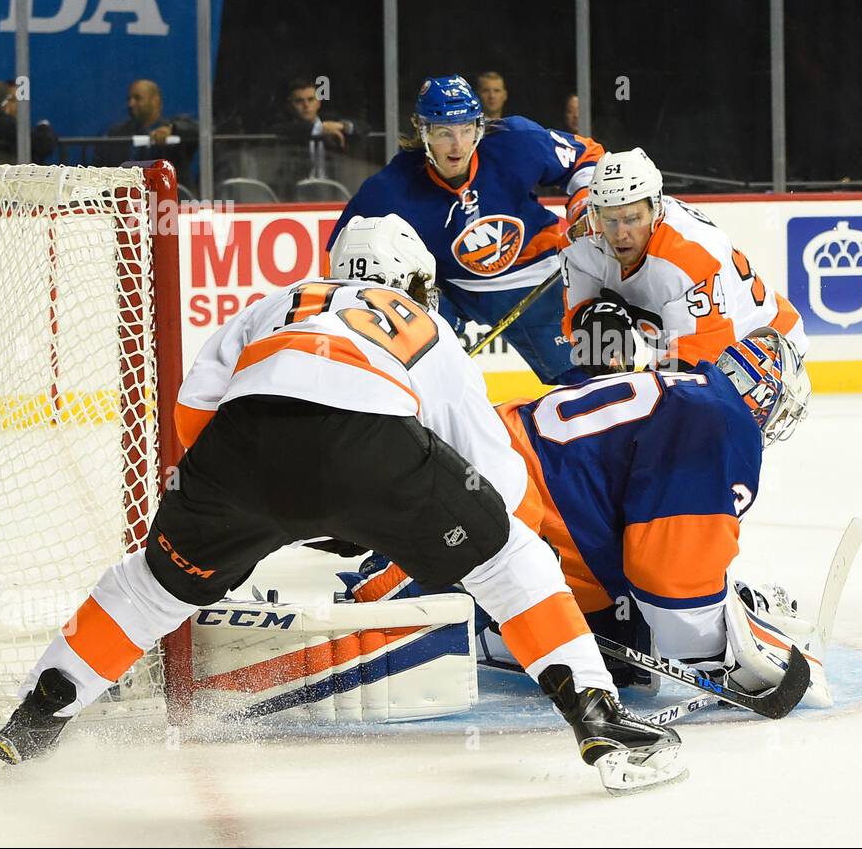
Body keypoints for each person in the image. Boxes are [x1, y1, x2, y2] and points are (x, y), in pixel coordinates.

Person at [0, 215, 685, 796]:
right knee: (513, 560)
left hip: (236, 454)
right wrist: (417, 527)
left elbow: (194, 411)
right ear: (412, 281)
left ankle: (39, 715)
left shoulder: (274, 302)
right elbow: (496, 480)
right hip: (373, 450)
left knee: (149, 586)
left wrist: (266, 515)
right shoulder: (423, 324)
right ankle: (598, 716)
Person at [338, 327, 828, 707]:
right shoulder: (723, 424)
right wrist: (720, 652)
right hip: (503, 488)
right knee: (391, 627)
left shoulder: (691, 394)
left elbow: (655, 538)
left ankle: (467, 620)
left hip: (499, 465)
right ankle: (375, 596)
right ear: (764, 397)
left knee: (618, 648)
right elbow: (669, 574)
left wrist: (721, 605)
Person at [328, 75, 604, 385]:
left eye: (466, 129)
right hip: (451, 293)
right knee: (426, 384)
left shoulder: (515, 141)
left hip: (539, 279)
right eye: (444, 132)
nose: (458, 144)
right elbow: (345, 257)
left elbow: (588, 157)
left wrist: (584, 208)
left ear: (479, 126)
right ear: (423, 131)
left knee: (590, 381)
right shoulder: (389, 190)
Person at [560, 148, 808, 378]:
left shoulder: (689, 254)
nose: (621, 234)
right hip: (683, 343)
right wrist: (596, 324)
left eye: (633, 218)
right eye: (610, 219)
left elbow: (696, 365)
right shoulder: (581, 248)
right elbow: (579, 321)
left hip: (764, 345)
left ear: (655, 208)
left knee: (687, 410)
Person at [267, 77, 368, 198]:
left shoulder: (331, 121)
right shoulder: (286, 126)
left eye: (311, 100)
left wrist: (343, 126)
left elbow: (364, 127)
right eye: (299, 101)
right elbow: (279, 129)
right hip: (295, 194)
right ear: (290, 105)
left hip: (334, 191)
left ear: (319, 102)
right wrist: (319, 128)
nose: (306, 105)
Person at [96, 79, 197, 184]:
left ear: (155, 101)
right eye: (129, 99)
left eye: (137, 98)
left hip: (168, 196)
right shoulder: (116, 134)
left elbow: (201, 130)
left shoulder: (174, 131)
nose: (131, 103)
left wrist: (172, 129)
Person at [0, 79, 57, 164]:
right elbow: (43, 145)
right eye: (12, 100)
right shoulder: (6, 126)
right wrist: (44, 127)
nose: (18, 106)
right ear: (4, 102)